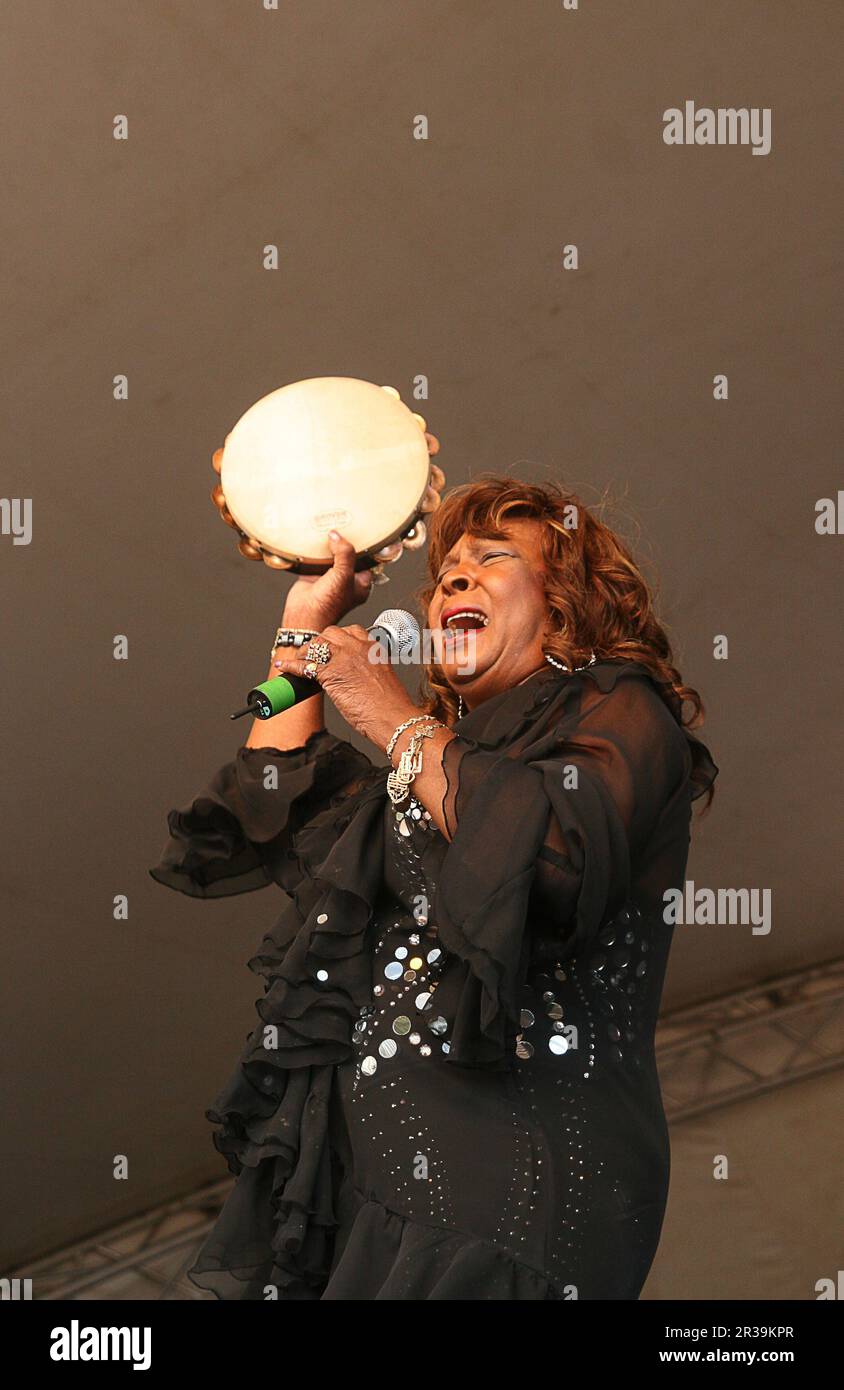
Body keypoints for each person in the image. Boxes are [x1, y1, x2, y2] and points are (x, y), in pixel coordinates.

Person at [149, 474, 717, 1300]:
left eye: (493, 560)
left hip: (516, 1190)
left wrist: (391, 715)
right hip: (385, 1206)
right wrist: (306, 626)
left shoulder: (619, 709)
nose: (453, 578)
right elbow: (278, 795)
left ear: (564, 604)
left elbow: (551, 853)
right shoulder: (422, 784)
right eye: (446, 568)